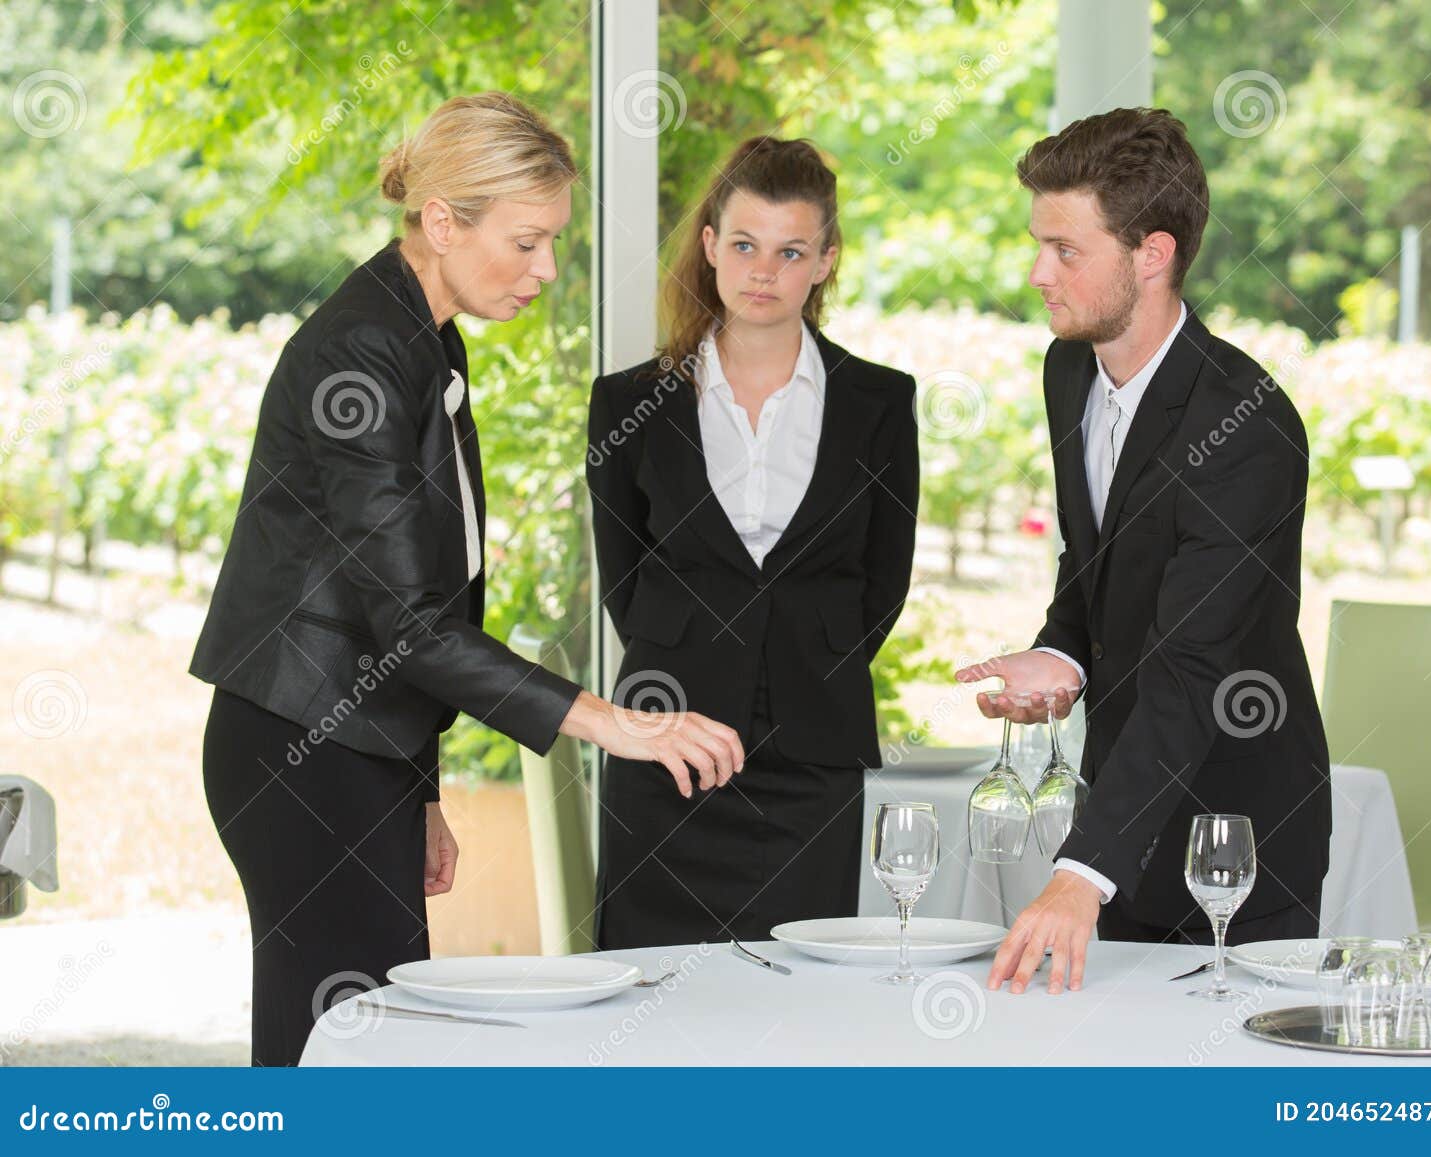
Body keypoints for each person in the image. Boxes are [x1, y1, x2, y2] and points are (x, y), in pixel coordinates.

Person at [190, 93, 743, 1066]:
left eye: (552, 241)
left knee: (366, 1041)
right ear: (442, 221)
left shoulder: (423, 334)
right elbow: (406, 622)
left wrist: (420, 789)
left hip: (356, 745)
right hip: (300, 749)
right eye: (526, 242)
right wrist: (613, 722)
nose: (546, 269)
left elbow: (409, 599)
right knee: (334, 1043)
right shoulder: (362, 350)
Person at [957, 107, 1331, 995]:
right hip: (1121, 826)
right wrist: (1060, 654)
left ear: (1152, 254)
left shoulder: (1246, 425)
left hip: (1235, 845)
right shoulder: (1069, 369)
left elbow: (1193, 666)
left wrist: (1080, 873)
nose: (1038, 273)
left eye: (1066, 250)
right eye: (1038, 245)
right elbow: (1092, 563)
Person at [587, 136, 919, 950]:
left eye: (790, 251)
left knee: (802, 990)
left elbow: (884, 580)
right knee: (651, 985)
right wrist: (696, 658)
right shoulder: (628, 403)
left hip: (815, 756)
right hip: (667, 740)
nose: (762, 271)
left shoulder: (879, 402)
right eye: (743, 245)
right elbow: (624, 577)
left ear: (825, 261)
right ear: (709, 246)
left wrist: (811, 659)